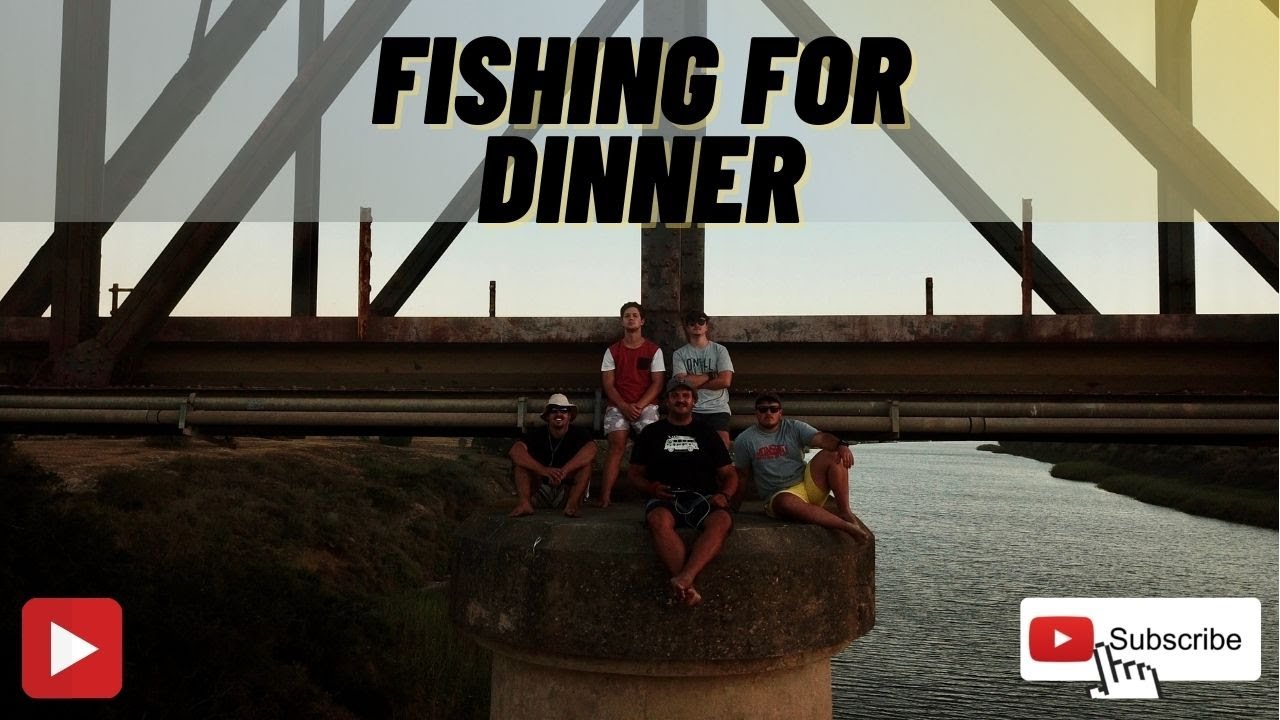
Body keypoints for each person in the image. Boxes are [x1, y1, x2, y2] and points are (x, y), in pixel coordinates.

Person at [630, 377, 737, 607]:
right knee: (657, 520)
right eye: (675, 395)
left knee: (721, 521)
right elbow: (634, 474)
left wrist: (724, 495)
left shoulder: (707, 432)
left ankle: (685, 579)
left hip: (703, 497)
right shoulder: (650, 433)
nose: (681, 399)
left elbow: (729, 473)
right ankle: (686, 584)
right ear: (667, 401)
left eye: (686, 395)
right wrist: (650, 488)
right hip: (666, 498)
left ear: (693, 401)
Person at [733, 393, 870, 541]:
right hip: (779, 494)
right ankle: (845, 527)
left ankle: (845, 511)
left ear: (780, 412)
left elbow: (821, 438)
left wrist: (841, 445)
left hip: (807, 484)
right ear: (756, 413)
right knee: (785, 503)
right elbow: (742, 475)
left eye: (773, 409)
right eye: (763, 409)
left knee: (833, 454)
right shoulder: (745, 440)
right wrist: (733, 508)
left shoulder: (794, 427)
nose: (768, 413)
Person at [598, 301, 665, 508]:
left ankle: (654, 493)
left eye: (635, 315)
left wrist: (639, 405)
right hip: (618, 405)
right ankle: (605, 496)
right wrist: (625, 406)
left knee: (651, 445)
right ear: (622, 321)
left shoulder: (653, 350)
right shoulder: (612, 351)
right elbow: (608, 384)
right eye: (627, 315)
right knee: (616, 445)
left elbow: (658, 383)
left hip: (646, 406)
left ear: (642, 320)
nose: (631, 318)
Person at [508, 394, 597, 518]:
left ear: (569, 416)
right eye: (554, 411)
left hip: (566, 488)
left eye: (563, 411)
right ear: (547, 416)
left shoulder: (580, 433)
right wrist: (543, 470)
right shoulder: (537, 433)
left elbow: (591, 449)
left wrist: (564, 471)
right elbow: (515, 451)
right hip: (540, 489)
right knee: (520, 465)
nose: (558, 414)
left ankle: (572, 505)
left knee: (586, 465)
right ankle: (524, 504)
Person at [671, 309, 735, 448]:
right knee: (689, 447)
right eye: (692, 323)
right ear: (687, 328)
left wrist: (694, 384)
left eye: (701, 321)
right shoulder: (679, 354)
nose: (697, 325)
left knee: (722, 445)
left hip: (718, 408)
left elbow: (725, 381)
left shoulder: (720, 350)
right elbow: (682, 383)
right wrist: (710, 375)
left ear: (707, 325)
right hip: (691, 407)